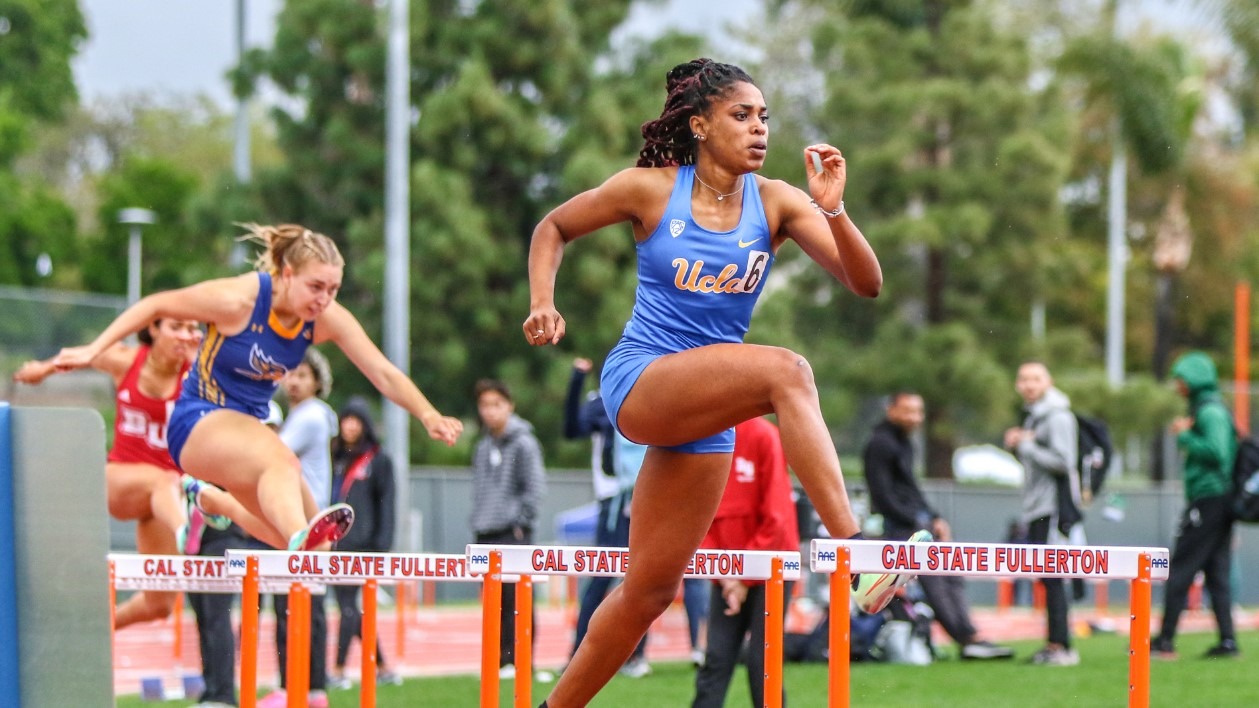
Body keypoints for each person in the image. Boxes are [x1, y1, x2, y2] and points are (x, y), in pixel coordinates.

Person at [524, 58, 894, 707]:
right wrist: (542, 301)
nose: (759, 130)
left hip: (705, 411)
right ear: (699, 125)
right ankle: (855, 549)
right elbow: (552, 226)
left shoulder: (777, 200)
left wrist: (834, 212)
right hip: (641, 380)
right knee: (787, 372)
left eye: (764, 118)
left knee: (648, 592)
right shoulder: (649, 189)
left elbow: (865, 284)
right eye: (741, 116)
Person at [47, 223, 463, 555]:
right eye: (316, 287)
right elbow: (156, 305)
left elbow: (383, 371)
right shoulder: (239, 301)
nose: (324, 300)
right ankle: (297, 535)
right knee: (282, 464)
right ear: (286, 274)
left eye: (333, 290)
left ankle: (216, 502)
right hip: (197, 422)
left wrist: (426, 413)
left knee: (320, 547)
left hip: (243, 434)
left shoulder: (323, 318)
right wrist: (93, 349)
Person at [11, 317, 243, 627]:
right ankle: (187, 532)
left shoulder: (198, 372)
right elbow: (80, 355)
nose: (185, 336)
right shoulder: (126, 360)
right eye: (176, 327)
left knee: (159, 604)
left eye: (192, 329)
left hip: (163, 501)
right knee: (167, 480)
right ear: (154, 330)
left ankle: (95, 630)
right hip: (120, 479)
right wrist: (42, 369)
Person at [863, 391, 1013, 660]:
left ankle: (969, 635)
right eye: (908, 410)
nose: (915, 417)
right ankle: (966, 638)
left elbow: (911, 489)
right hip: (900, 530)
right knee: (934, 582)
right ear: (892, 411)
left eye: (918, 411)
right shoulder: (881, 444)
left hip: (916, 526)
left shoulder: (904, 443)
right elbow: (883, 495)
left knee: (950, 574)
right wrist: (918, 522)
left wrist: (934, 518)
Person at [691, 416, 798, 708]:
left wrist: (742, 576)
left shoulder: (765, 436)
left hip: (771, 567)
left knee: (762, 663)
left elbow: (777, 516)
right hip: (727, 571)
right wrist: (726, 575)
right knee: (716, 658)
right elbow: (699, 516)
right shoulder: (705, 435)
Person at [563, 357, 651, 677]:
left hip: (647, 500)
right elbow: (571, 429)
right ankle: (578, 653)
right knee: (600, 580)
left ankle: (635, 656)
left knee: (644, 580)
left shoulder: (654, 397)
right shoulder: (601, 404)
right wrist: (576, 380)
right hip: (612, 501)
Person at [260, 347, 338, 708]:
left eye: (303, 375)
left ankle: (301, 688)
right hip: (302, 517)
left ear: (319, 382)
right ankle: (305, 688)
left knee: (297, 607)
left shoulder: (311, 416)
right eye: (290, 374)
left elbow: (273, 455)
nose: (293, 382)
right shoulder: (303, 415)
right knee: (296, 605)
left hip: (306, 520)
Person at [1152, 352, 1239, 659]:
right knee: (1217, 573)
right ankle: (1228, 641)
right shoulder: (1208, 408)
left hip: (1209, 500)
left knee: (1181, 568)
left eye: (1180, 379)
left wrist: (1185, 435)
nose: (1177, 386)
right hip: (1217, 502)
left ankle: (1164, 641)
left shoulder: (1209, 412)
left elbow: (1218, 453)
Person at [471, 378, 548, 680]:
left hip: (513, 531)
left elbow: (535, 488)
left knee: (519, 600)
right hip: (485, 531)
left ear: (509, 406)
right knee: (493, 601)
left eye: (496, 404)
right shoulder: (482, 446)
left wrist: (520, 522)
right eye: (484, 405)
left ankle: (523, 662)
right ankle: (499, 660)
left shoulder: (524, 443)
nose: (489, 412)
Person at [1003, 361, 1078, 666]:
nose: (1029, 384)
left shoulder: (1058, 416)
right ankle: (1054, 643)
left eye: (1036, 378)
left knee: (1053, 576)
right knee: (1047, 576)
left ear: (1048, 381)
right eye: (1024, 379)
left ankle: (1061, 646)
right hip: (1038, 507)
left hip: (1052, 507)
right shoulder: (1034, 416)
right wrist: (1018, 447)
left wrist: (1027, 445)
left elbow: (1064, 461)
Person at [328, 396, 403, 688]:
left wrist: (382, 545)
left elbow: (387, 504)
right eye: (346, 419)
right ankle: (383, 667)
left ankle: (337, 669)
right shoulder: (336, 458)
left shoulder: (378, 460)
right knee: (352, 609)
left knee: (348, 607)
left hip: (365, 546)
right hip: (336, 544)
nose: (349, 426)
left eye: (355, 420)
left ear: (365, 424)